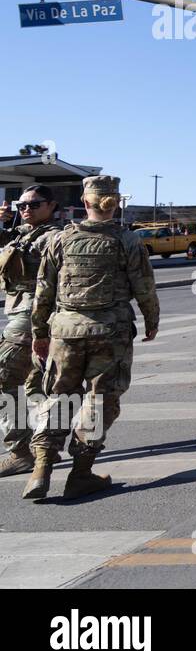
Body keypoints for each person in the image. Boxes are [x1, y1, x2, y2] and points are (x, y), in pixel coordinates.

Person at [23, 176, 160, 500]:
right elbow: (144, 287)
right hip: (110, 334)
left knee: (58, 398)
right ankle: (81, 474)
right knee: (99, 402)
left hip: (65, 334)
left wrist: (40, 333)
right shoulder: (128, 241)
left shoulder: (60, 239)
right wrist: (151, 319)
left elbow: (44, 291)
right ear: (116, 203)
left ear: (85, 203)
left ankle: (40, 470)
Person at [0, 186, 61, 476]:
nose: (26, 209)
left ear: (51, 205)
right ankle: (43, 446)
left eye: (34, 204)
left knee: (4, 375)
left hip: (34, 315)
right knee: (35, 385)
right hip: (21, 311)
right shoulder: (23, 232)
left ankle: (20, 451)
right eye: (21, 204)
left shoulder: (53, 236)